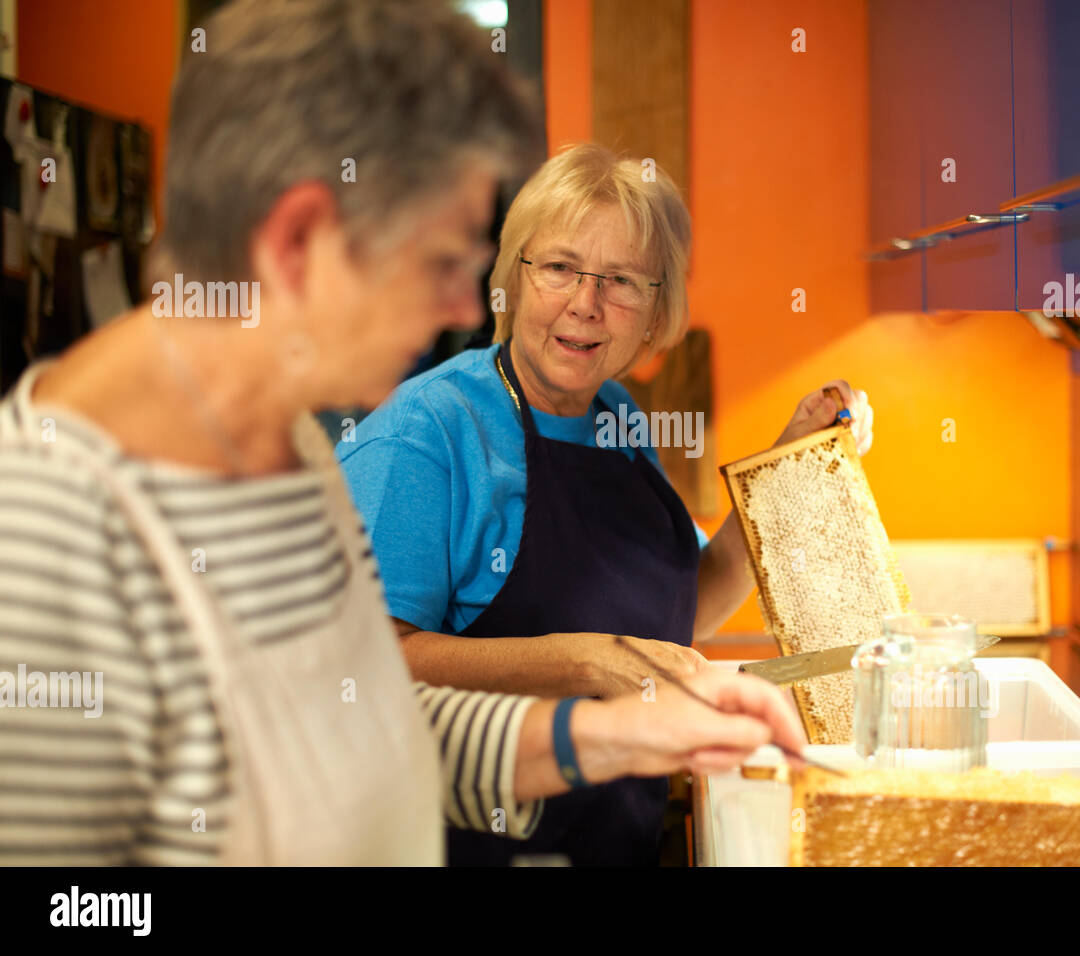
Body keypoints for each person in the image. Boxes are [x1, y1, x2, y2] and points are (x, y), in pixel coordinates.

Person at [0, 0, 804, 866]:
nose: (467, 305)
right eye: (443, 261)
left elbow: (367, 714)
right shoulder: (47, 542)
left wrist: (616, 738)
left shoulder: (286, 453)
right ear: (299, 241)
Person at [337, 143, 874, 865]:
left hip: (611, 839)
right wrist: (587, 663)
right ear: (513, 280)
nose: (584, 305)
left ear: (656, 313)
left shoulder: (615, 414)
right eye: (559, 267)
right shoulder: (426, 434)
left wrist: (792, 466)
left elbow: (683, 609)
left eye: (621, 280)